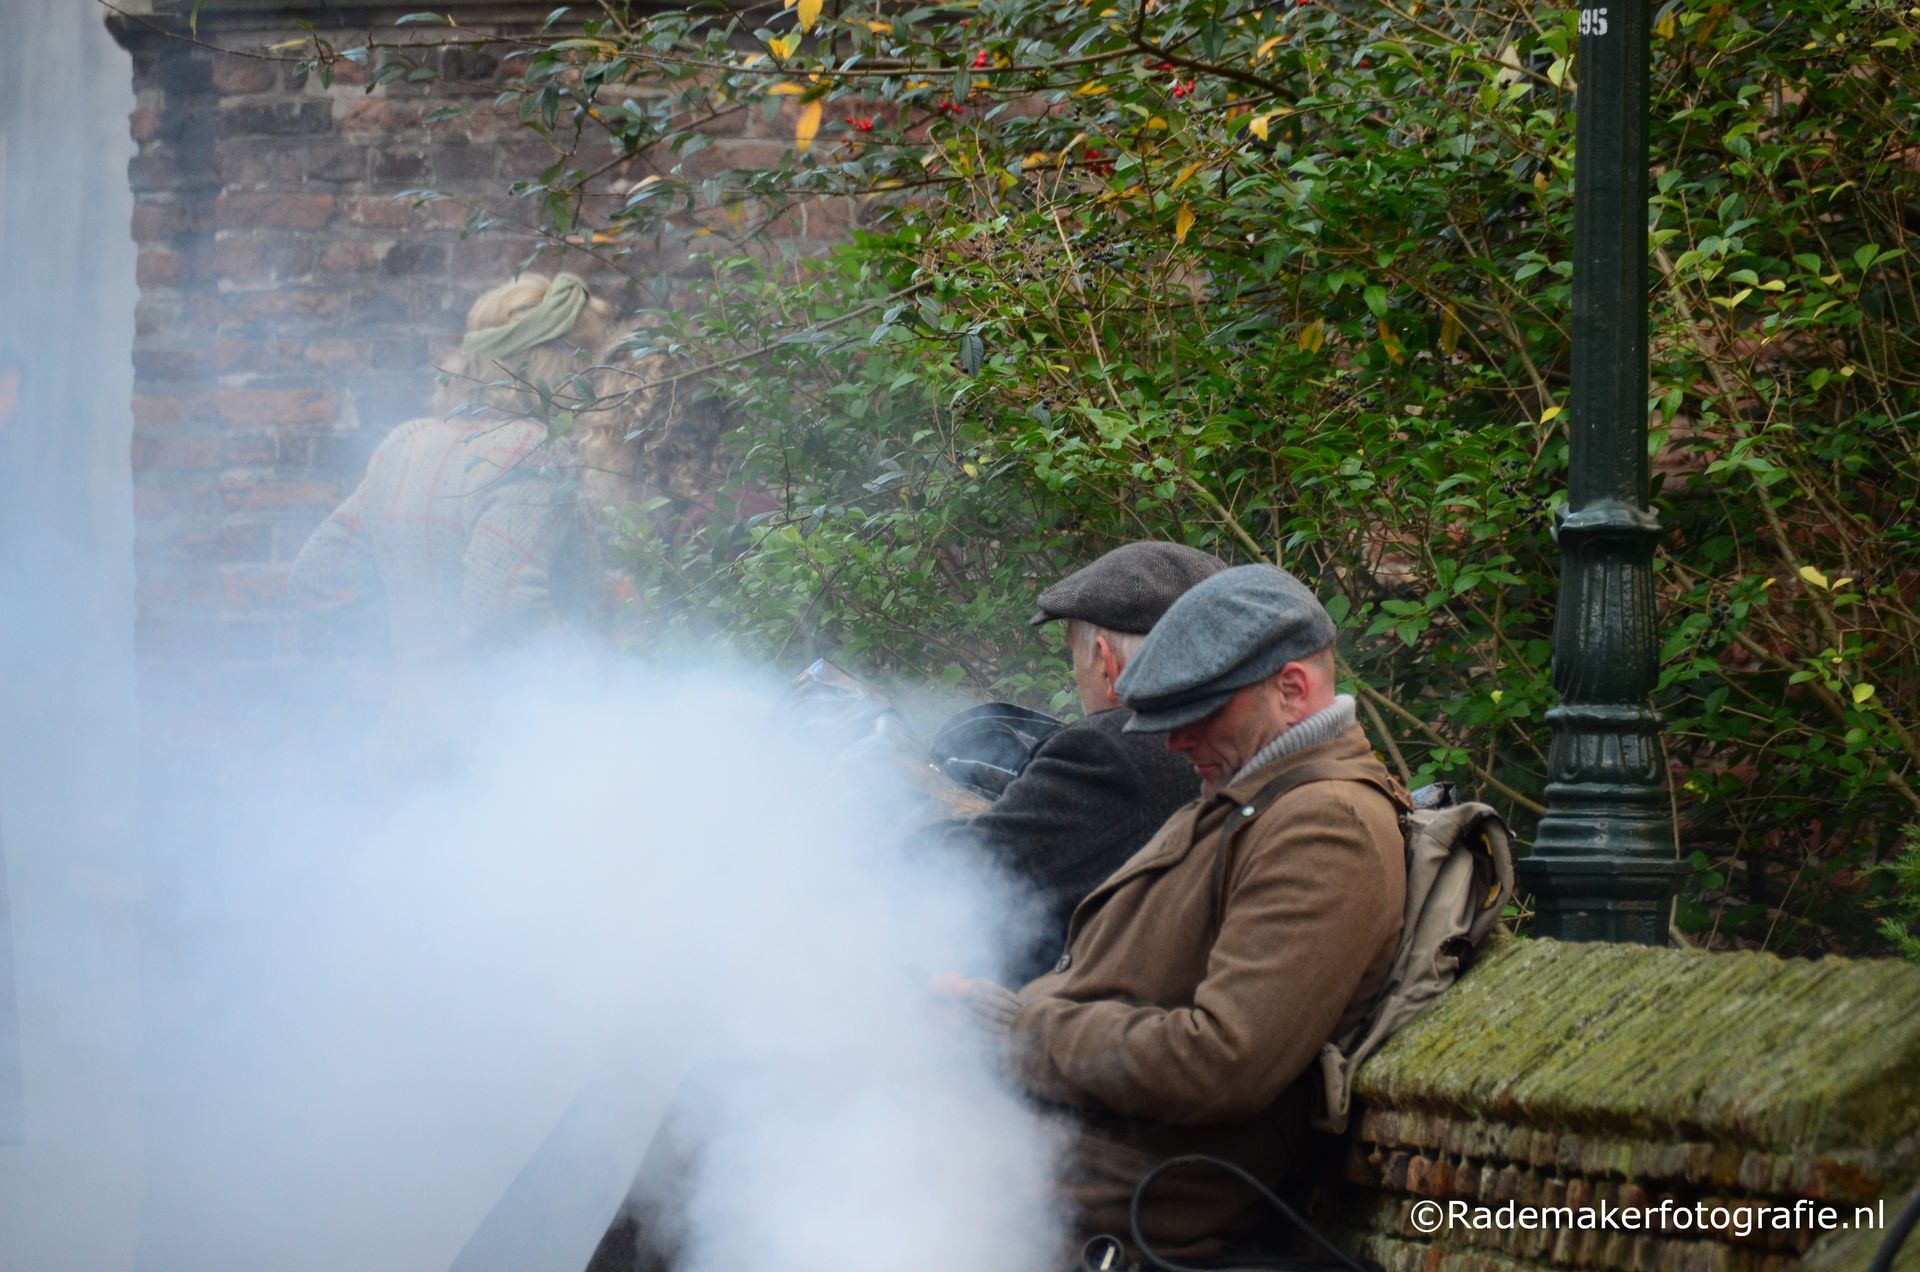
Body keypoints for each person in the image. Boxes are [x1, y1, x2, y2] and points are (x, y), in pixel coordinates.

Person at [942, 564, 1408, 1264]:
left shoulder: (1326, 825)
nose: (1175, 741)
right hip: (1033, 1183)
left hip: (1089, 1223)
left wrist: (1025, 1032)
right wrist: (983, 1014)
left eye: (1201, 714)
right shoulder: (1251, 794)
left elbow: (1220, 1059)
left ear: (1292, 689)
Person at [926, 540, 1225, 984]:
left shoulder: (1113, 751)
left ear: (1108, 666)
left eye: (1075, 660)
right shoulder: (1228, 737)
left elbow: (962, 872)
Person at [288, 273, 617, 675]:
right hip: (511, 728)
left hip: (414, 721)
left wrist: (409, 664)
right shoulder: (530, 451)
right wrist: (600, 678)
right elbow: (502, 605)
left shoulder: (405, 444)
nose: (598, 386)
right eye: (589, 364)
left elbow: (318, 573)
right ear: (559, 367)